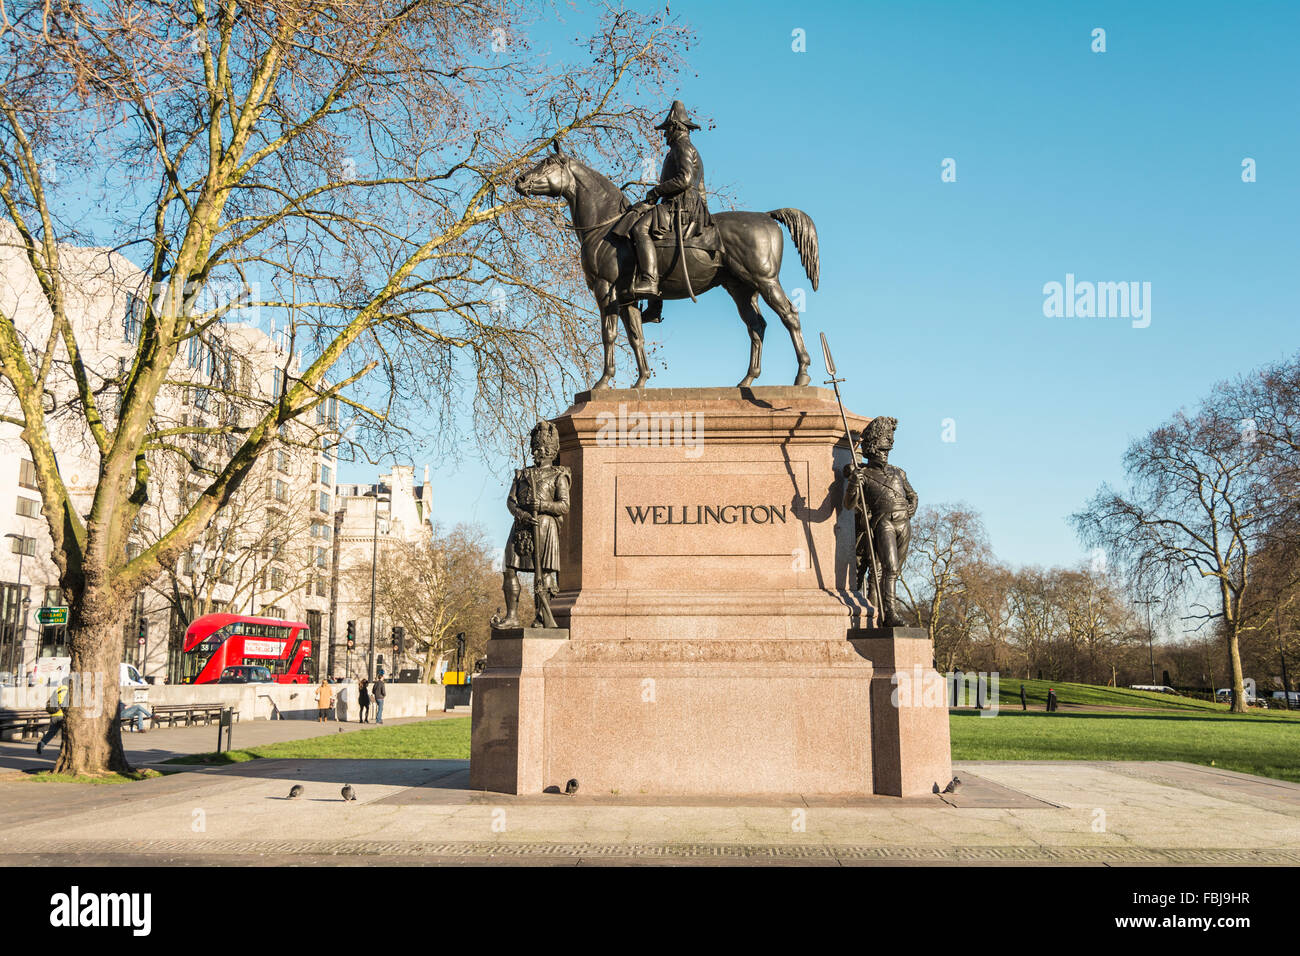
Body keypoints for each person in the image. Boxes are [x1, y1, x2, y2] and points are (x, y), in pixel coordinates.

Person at [617, 100, 713, 298]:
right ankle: (655, 303)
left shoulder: (682, 147)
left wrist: (657, 191)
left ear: (675, 128)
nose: (664, 134)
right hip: (689, 205)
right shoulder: (688, 149)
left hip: (679, 205)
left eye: (667, 129)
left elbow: (685, 179)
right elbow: (701, 188)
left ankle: (650, 281)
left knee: (639, 229)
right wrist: (702, 212)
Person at [843, 416, 918, 627]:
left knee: (895, 571)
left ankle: (886, 613)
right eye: (881, 451)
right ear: (872, 450)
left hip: (904, 522)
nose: (884, 456)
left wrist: (913, 506)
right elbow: (849, 504)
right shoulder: (863, 474)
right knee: (890, 568)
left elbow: (913, 495)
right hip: (883, 521)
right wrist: (852, 485)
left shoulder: (898, 472)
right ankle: (890, 613)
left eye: (887, 452)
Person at [35, 679, 69, 755]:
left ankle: (42, 743)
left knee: (51, 732)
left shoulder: (57, 690)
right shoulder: (68, 691)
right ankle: (62, 750)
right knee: (65, 733)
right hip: (62, 715)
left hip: (53, 715)